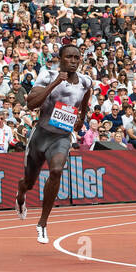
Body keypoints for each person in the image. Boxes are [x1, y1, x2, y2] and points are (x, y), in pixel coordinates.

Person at [14, 43, 93, 244]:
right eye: (69, 57)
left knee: (56, 171)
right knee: (29, 182)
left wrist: (82, 118)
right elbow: (31, 104)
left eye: (77, 58)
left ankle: (42, 223)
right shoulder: (47, 75)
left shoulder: (85, 81)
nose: (73, 61)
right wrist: (55, 83)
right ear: (60, 59)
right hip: (40, 135)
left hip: (61, 137)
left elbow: (85, 99)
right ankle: (21, 193)